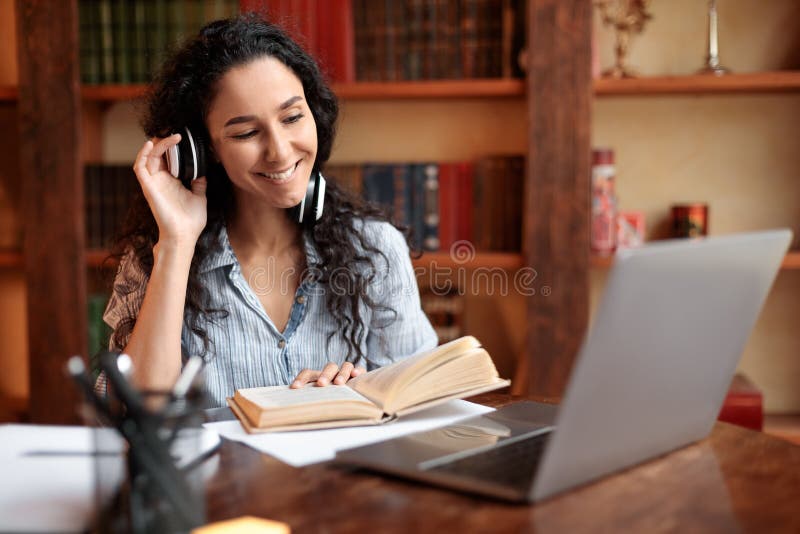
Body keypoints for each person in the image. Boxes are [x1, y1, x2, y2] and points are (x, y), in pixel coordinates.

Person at [101, 14, 437, 407]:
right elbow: (141, 415)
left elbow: (426, 403)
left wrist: (359, 396)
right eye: (246, 133)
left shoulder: (375, 248)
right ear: (203, 152)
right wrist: (177, 242)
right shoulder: (153, 261)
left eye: (293, 117)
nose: (279, 151)